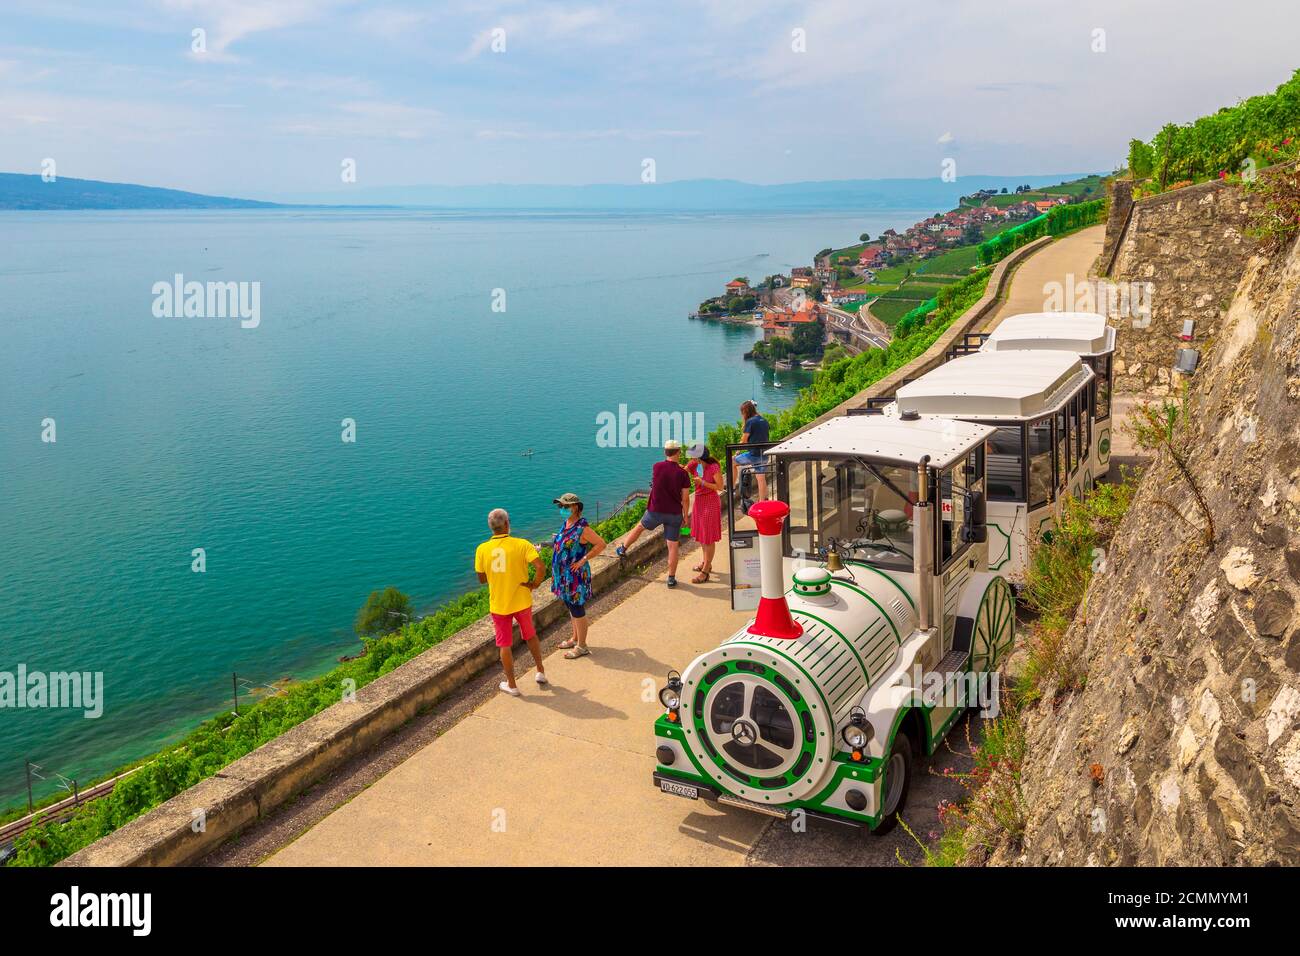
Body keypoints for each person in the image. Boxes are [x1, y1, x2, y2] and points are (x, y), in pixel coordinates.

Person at [474, 508, 548, 696]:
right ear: (507, 524)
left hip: (499, 603)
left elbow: (482, 579)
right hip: (522, 599)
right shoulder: (522, 544)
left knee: (504, 644)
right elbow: (540, 567)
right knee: (530, 635)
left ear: (491, 527)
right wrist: (535, 584)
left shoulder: (482, 549)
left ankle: (512, 685)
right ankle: (540, 671)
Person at [615, 438, 692, 588]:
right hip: (674, 513)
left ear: (665, 452)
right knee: (673, 546)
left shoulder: (657, 467)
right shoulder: (683, 474)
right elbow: (686, 498)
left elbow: (665, 471)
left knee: (639, 527)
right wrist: (685, 517)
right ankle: (671, 578)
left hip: (655, 511)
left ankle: (623, 548)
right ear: (679, 452)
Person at [550, 492, 606, 658]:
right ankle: (575, 638)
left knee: (577, 609)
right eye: (560, 506)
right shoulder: (567, 523)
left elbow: (601, 544)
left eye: (565, 506)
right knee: (570, 607)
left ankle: (582, 646)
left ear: (575, 507)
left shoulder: (583, 529)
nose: (562, 509)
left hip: (574, 576)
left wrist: (583, 560)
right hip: (563, 575)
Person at [685, 442, 723, 583]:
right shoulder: (695, 464)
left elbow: (720, 487)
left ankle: (706, 570)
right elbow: (683, 470)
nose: (692, 459)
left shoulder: (713, 467)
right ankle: (706, 562)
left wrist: (702, 483)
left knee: (708, 538)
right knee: (702, 535)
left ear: (700, 457)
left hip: (710, 503)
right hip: (699, 502)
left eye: (694, 457)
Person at [732, 400, 771, 501]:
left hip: (754, 455)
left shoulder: (750, 422)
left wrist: (737, 452)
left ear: (745, 412)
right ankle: (763, 501)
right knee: (761, 479)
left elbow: (744, 440)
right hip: (764, 454)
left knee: (732, 462)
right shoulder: (764, 420)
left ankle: (731, 488)